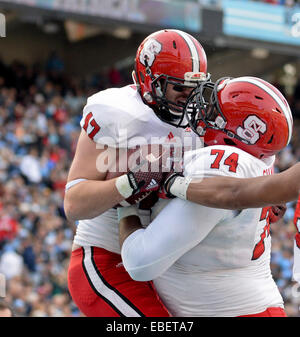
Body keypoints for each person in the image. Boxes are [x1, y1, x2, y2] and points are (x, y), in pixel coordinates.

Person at [118, 76, 293, 316]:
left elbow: (140, 263)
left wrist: (125, 208)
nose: (204, 112)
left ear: (240, 132)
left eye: (214, 111)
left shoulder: (218, 164)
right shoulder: (258, 159)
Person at [64, 29, 210, 317]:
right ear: (150, 81)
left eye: (195, 88)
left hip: (162, 264)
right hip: (109, 258)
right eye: (179, 87)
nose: (189, 97)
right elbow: (74, 204)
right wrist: (131, 182)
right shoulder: (115, 112)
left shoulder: (202, 119)